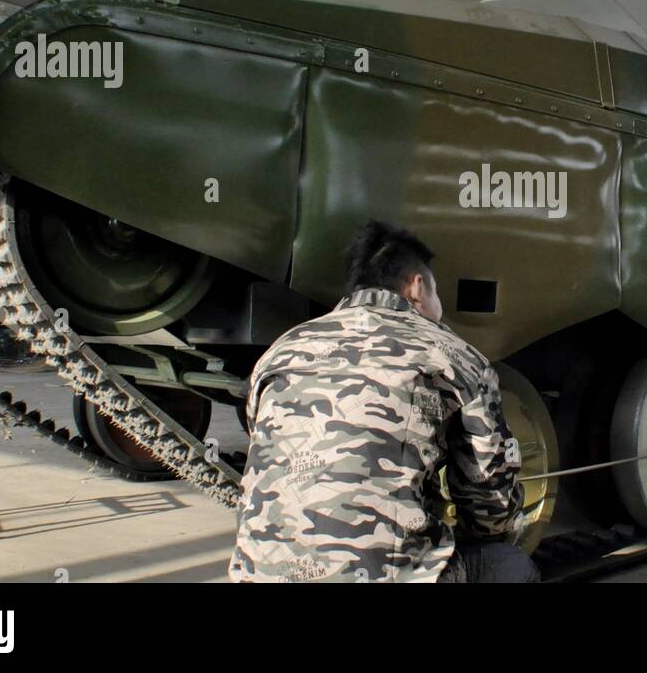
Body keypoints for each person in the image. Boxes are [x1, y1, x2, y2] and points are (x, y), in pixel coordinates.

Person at [229, 220, 536, 582]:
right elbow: (491, 509)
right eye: (436, 294)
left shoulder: (281, 350)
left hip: (257, 573)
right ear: (417, 287)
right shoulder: (452, 354)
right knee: (510, 565)